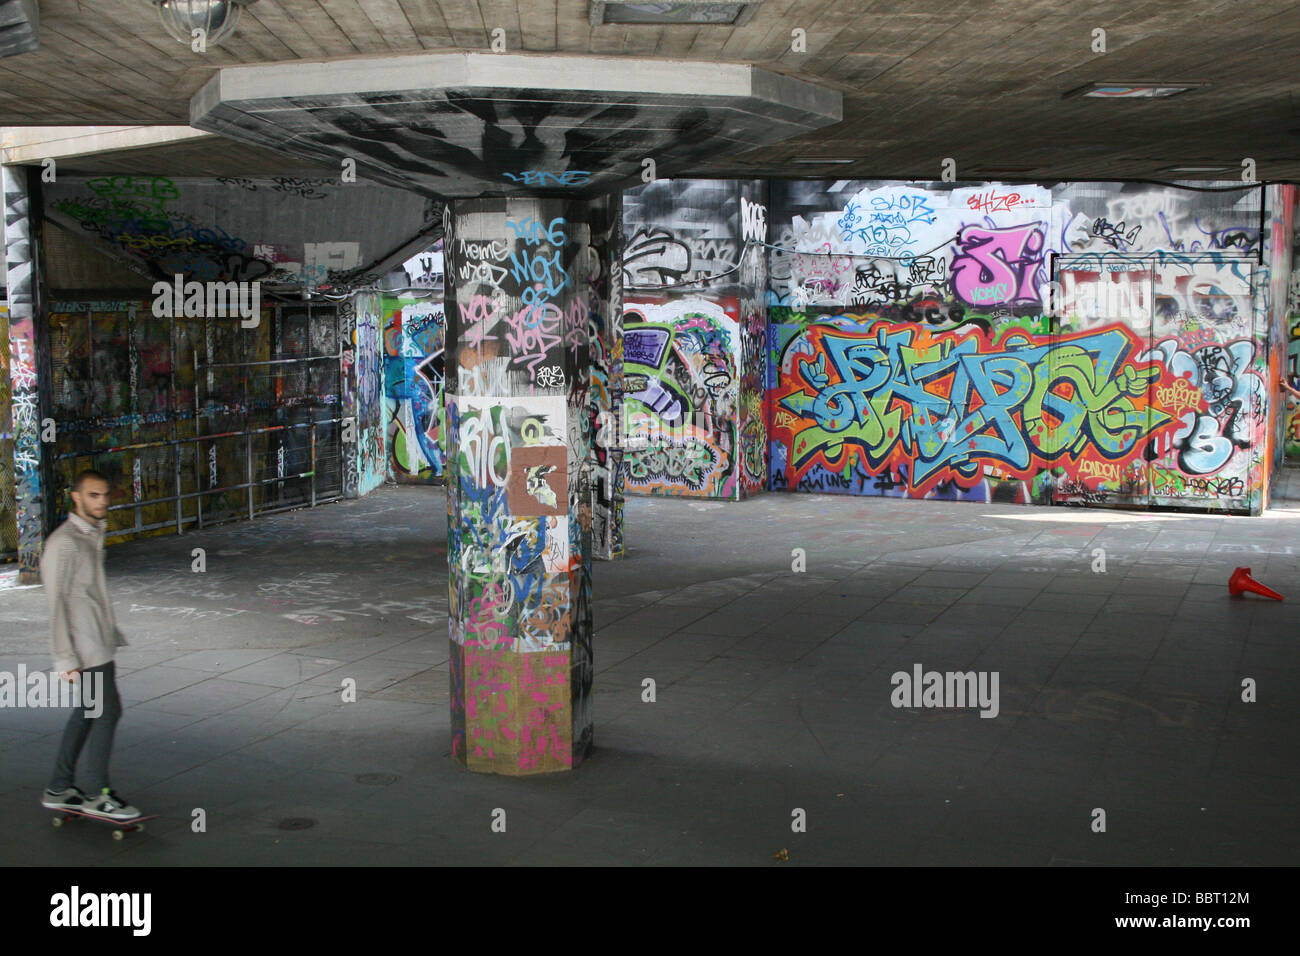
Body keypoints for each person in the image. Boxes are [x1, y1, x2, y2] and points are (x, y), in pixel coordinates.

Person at [39, 469, 141, 820]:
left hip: (98, 641)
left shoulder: (90, 535)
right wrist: (64, 657)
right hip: (86, 648)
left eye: (105, 495)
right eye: (94, 495)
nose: (102, 502)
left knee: (87, 713)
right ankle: (98, 794)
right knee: (106, 711)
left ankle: (58, 787)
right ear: (76, 497)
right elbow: (55, 604)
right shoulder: (64, 543)